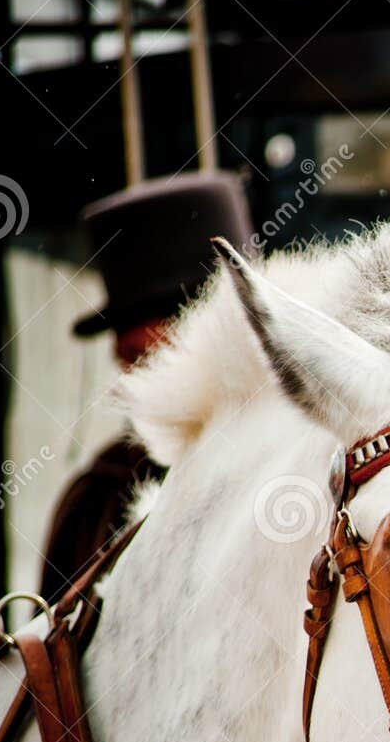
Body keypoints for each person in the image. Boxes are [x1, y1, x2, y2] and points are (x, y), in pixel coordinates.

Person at [39, 172, 254, 601]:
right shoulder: (101, 497)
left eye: (146, 356)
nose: (127, 379)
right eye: (127, 359)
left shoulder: (311, 465)